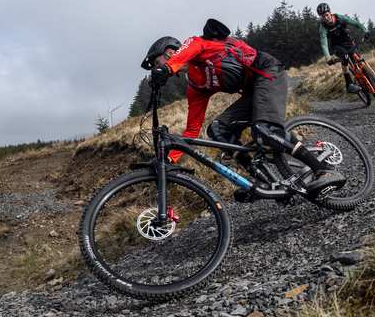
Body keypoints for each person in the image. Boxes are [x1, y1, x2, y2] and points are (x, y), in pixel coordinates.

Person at [145, 18, 345, 197]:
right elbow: (191, 131)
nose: (155, 68)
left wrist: (167, 68)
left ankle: (323, 170)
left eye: (156, 62)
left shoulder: (198, 44)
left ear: (169, 52)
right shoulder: (196, 86)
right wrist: (168, 161)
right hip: (252, 92)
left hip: (268, 73)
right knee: (217, 130)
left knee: (264, 130)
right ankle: (262, 180)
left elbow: (189, 49)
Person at [316, 2, 369, 94]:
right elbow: (324, 44)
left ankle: (368, 78)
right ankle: (349, 84)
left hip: (347, 41)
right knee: (345, 57)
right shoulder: (323, 27)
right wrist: (328, 57)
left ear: (330, 13)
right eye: (323, 17)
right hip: (336, 46)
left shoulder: (339, 18)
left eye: (327, 15)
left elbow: (356, 23)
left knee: (357, 59)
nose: (326, 18)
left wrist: (365, 30)